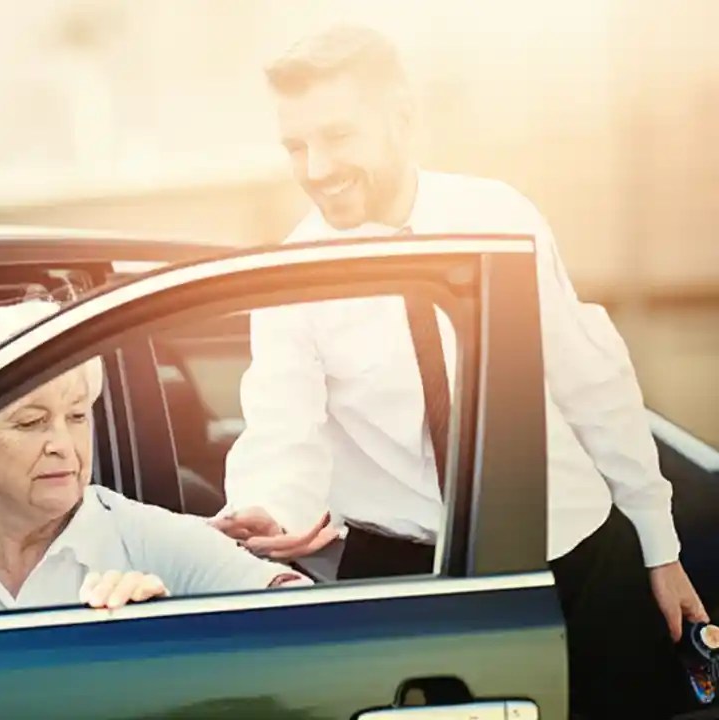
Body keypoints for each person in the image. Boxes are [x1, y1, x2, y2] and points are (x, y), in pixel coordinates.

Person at [207, 23, 710, 717]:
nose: (316, 168)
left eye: (337, 136)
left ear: (401, 118)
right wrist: (268, 507)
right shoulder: (296, 274)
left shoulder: (499, 216)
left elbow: (590, 381)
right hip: (407, 585)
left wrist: (660, 548)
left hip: (581, 560)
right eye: (296, 146)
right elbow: (280, 430)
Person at [0, 298, 310, 614]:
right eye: (31, 422)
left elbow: (307, 615)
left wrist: (172, 630)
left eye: (78, 415)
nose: (63, 443)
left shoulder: (151, 539)